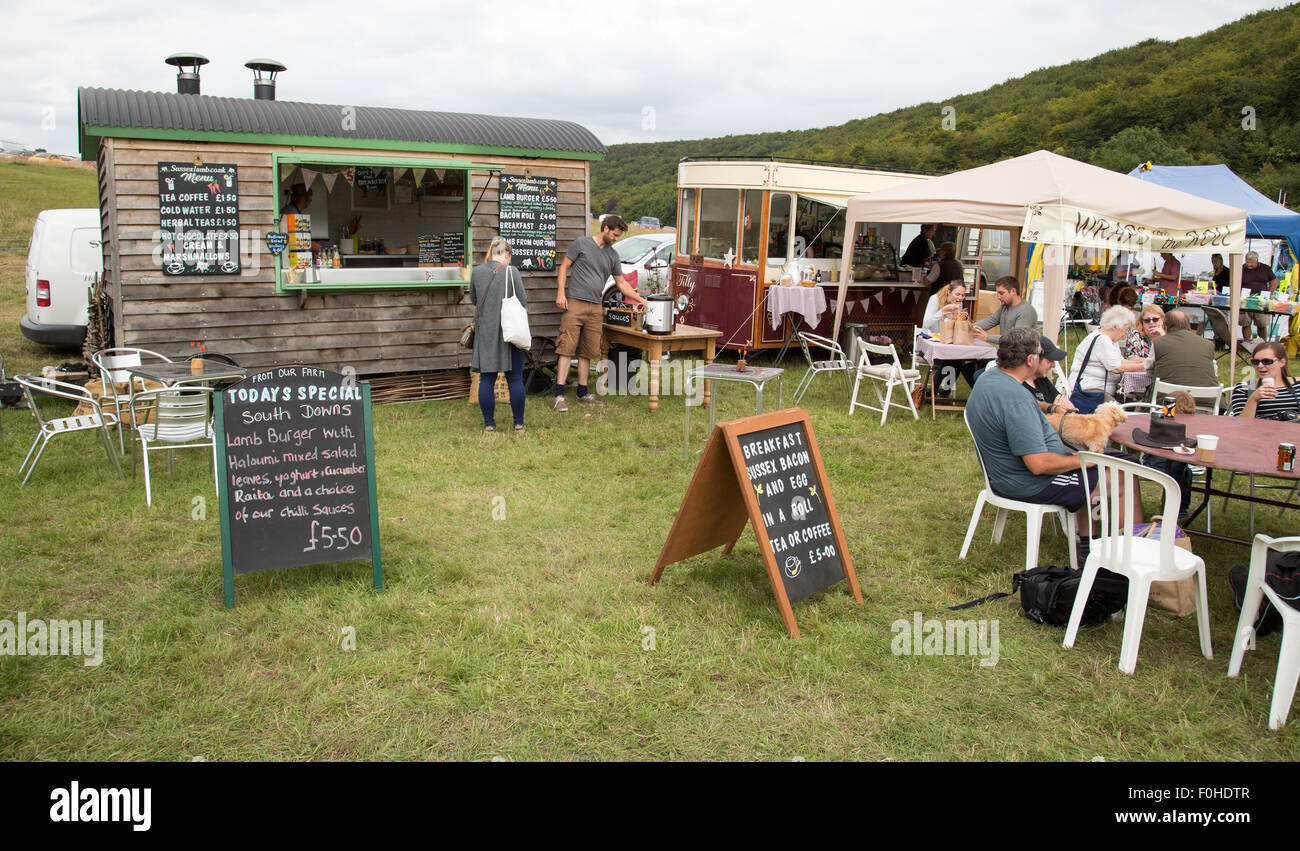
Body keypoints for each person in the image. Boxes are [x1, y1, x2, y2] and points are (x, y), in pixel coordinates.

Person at [965, 327, 1102, 552]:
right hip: (1028, 483)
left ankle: (1097, 547)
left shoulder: (990, 378)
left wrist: (1049, 407)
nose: (1046, 360)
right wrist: (1084, 459)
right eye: (1040, 354)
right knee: (1109, 476)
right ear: (1030, 359)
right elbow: (1039, 465)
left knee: (1102, 470)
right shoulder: (1017, 398)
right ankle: (1096, 553)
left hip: (1004, 476)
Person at [553, 215, 647, 412]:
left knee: (588, 351)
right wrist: (561, 293)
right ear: (605, 228)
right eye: (614, 235)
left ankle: (582, 393)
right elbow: (563, 267)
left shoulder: (613, 255)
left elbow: (621, 283)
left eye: (618, 236)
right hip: (575, 304)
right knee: (566, 349)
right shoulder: (581, 244)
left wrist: (640, 299)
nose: (615, 239)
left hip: (596, 307)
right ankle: (559, 395)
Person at [471, 238, 527, 433]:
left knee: (486, 380)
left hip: (486, 333)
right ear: (507, 254)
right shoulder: (512, 272)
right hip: (510, 332)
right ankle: (518, 423)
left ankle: (489, 424)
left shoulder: (477, 272)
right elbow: (523, 300)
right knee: (515, 380)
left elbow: (474, 299)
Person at [1067, 305, 1146, 410]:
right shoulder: (1102, 340)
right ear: (1115, 327)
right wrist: (1145, 365)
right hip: (1091, 391)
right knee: (1120, 414)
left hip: (1099, 391)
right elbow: (1117, 367)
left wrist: (1142, 361)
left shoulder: (1109, 340)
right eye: (1126, 329)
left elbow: (1120, 362)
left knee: (1130, 401)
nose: (1126, 334)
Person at [1230, 341, 1300, 420]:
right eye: (1256, 362)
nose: (1260, 366)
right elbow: (1240, 424)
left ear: (1282, 362)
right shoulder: (1245, 388)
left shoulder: (1297, 385)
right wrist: (1253, 399)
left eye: (1267, 361)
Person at [1152, 309, 1217, 388]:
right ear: (1188, 325)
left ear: (1165, 327)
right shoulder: (1208, 345)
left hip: (1168, 397)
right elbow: (1214, 371)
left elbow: (1148, 367)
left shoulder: (1159, 342)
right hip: (1208, 397)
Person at [1117, 303, 1164, 401]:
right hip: (1141, 377)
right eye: (1147, 321)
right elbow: (1131, 358)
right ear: (1142, 323)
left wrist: (1162, 337)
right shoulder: (1136, 335)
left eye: (1155, 319)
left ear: (1163, 320)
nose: (1151, 323)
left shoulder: (1167, 335)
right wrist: (1153, 360)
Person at [972, 276, 1037, 345]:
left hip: (1020, 354)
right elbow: (991, 320)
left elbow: (1016, 338)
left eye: (1001, 293)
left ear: (1013, 291)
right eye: (997, 293)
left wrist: (988, 337)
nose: (998, 297)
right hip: (1006, 351)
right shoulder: (1005, 306)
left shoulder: (1026, 311)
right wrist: (969, 328)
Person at [1023, 335, 1075, 415]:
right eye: (1049, 361)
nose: (1053, 365)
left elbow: (1067, 407)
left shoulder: (1041, 379)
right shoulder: (1019, 387)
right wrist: (1054, 411)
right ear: (1033, 359)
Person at [1240, 250, 1278, 341]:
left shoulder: (1265, 268)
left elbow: (1274, 282)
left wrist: (1269, 294)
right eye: (1247, 262)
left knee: (1262, 324)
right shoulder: (1241, 268)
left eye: (1252, 263)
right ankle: (1247, 342)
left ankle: (1262, 343)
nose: (1249, 264)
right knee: (1245, 323)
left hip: (1262, 301)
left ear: (1257, 260)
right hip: (1245, 300)